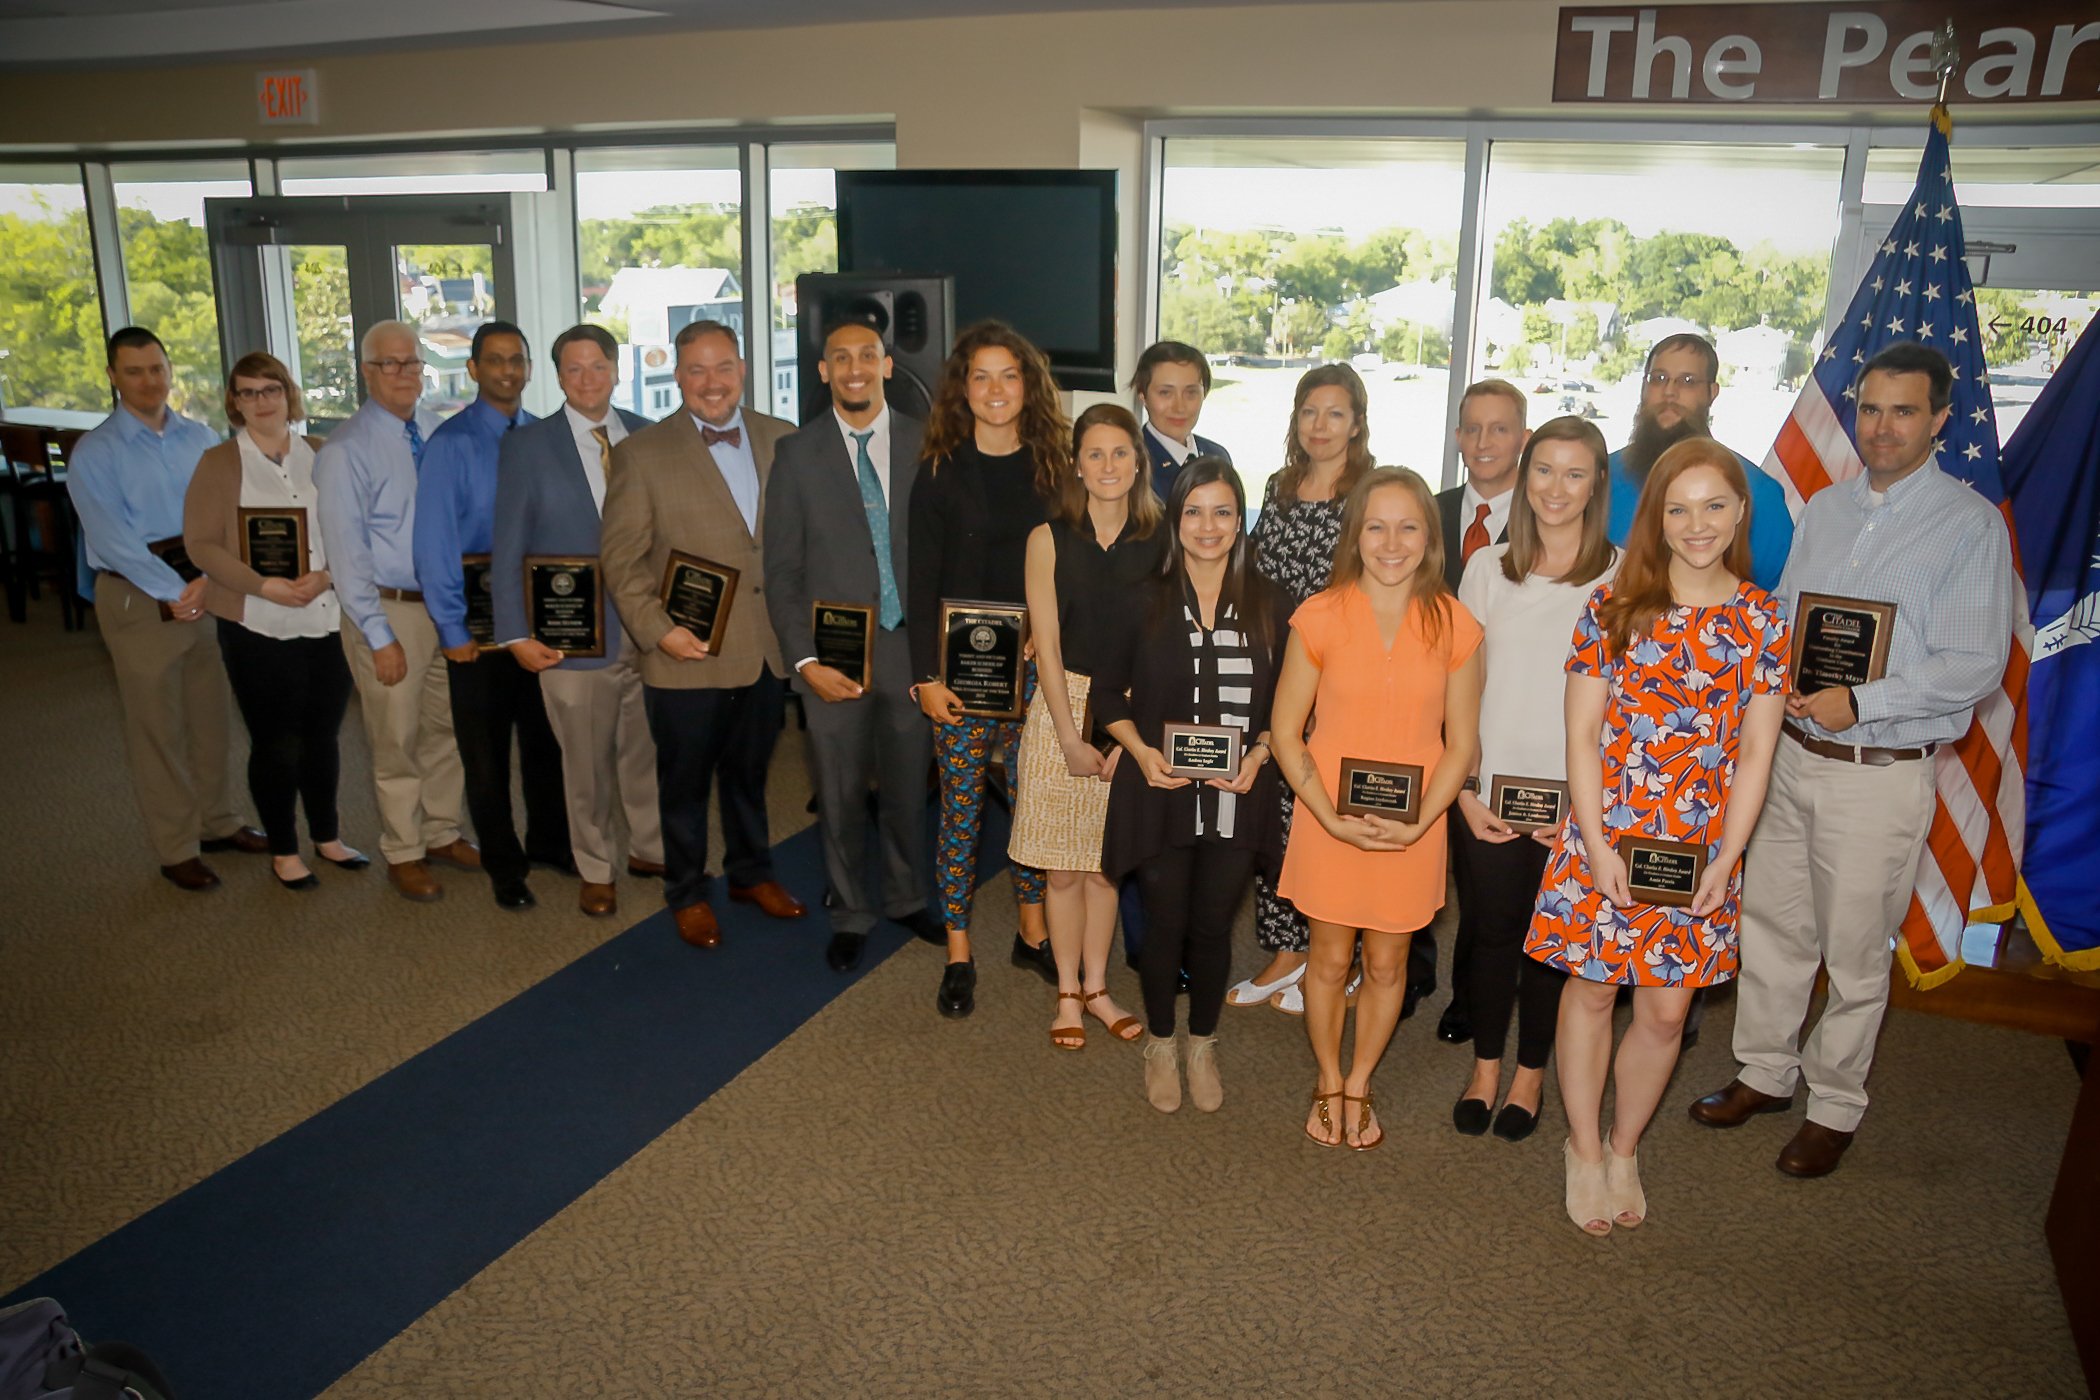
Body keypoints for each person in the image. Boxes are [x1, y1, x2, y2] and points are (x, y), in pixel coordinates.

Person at [1691, 343, 2017, 1179]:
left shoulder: (1969, 524)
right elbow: (1792, 621)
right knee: (1771, 926)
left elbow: (1975, 661)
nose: (1882, 427)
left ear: (1941, 419)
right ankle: (1765, 1071)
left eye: (1903, 411)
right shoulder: (1827, 510)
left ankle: (1835, 1104)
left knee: (1854, 949)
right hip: (1792, 755)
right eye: (1870, 409)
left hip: (1878, 770)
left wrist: (1862, 702)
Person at [1524, 438, 1787, 1236]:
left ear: (1740, 512)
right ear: (1656, 519)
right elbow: (1580, 740)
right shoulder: (1611, 607)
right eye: (1679, 508)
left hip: (1701, 855)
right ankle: (1582, 1148)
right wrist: (1599, 847)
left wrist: (1729, 859)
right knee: (1595, 991)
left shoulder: (1762, 620)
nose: (1696, 524)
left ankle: (1625, 1144)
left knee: (1668, 1015)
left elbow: (1755, 754)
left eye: (1714, 506)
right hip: (1605, 840)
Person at [1272, 466, 1484, 1150]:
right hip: (1327, 816)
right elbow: (1284, 733)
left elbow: (1461, 745)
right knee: (1329, 961)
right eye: (1376, 527)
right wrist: (1327, 815)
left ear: (1429, 538)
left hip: (1413, 823)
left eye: (1408, 527)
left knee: (1389, 965)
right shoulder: (1319, 616)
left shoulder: (1456, 624)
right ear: (1355, 535)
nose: (1392, 543)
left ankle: (1361, 1081)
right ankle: (1328, 1077)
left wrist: (1424, 823)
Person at [601, 319, 805, 950]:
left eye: (722, 368)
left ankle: (750, 874)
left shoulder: (785, 440)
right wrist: (659, 633)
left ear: (742, 370)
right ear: (678, 376)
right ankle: (686, 891)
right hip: (684, 655)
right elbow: (621, 560)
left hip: (767, 650)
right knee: (683, 784)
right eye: (696, 369)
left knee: (750, 775)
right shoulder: (641, 452)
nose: (711, 382)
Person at [1095, 459, 1290, 1110]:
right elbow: (1104, 695)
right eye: (1194, 512)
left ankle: (1201, 1042)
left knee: (1211, 928)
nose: (1209, 526)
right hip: (1159, 792)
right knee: (1163, 925)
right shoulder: (1140, 597)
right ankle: (1160, 1041)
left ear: (1242, 519)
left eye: (1223, 511)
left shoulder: (1272, 602)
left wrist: (1260, 755)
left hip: (1240, 795)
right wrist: (1141, 753)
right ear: (1175, 521)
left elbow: (1290, 707)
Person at [1449, 417, 1616, 1141]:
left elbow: (1627, 704)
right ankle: (1486, 1066)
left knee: (1549, 945)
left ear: (1597, 485)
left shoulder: (1625, 575)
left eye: (1574, 473)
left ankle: (1529, 1076)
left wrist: (1589, 812)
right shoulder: (1488, 566)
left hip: (1574, 802)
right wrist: (1459, 789)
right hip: (1487, 793)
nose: (1555, 487)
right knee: (1489, 932)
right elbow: (1456, 683)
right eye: (1543, 469)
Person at [763, 314, 943, 971]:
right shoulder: (795, 454)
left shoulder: (930, 446)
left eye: (867, 356)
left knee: (906, 791)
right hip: (829, 658)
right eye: (841, 358)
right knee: (837, 796)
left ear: (887, 365)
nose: (855, 369)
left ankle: (905, 896)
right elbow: (779, 571)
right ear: (823, 371)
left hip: (910, 653)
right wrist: (803, 661)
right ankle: (850, 910)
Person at [68, 326, 263, 889]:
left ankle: (218, 822)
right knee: (158, 727)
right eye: (134, 371)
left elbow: (226, 513)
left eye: (156, 368)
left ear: (169, 370)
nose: (148, 381)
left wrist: (207, 580)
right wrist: (178, 590)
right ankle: (176, 846)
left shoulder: (201, 437)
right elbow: (113, 540)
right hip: (138, 596)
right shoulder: (96, 452)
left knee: (209, 716)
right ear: (112, 377)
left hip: (207, 586)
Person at [906, 321, 1062, 1018]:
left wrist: (1048, 631)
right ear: (961, 391)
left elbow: (1070, 570)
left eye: (1009, 375)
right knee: (962, 809)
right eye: (981, 377)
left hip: (1033, 669)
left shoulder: (1054, 468)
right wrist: (923, 679)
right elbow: (919, 582)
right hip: (957, 673)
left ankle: (1032, 932)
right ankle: (959, 950)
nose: (995, 390)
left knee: (1033, 804)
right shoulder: (939, 470)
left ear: (1027, 386)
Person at [495, 324, 664, 921]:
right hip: (569, 639)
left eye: (598, 367)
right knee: (585, 764)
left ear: (617, 370)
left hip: (650, 634)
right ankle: (596, 866)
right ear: (558, 376)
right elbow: (508, 544)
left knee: (646, 752)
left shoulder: (649, 436)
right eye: (574, 369)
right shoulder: (526, 446)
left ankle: (650, 849)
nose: (587, 379)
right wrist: (515, 633)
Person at [1010, 403, 1163, 1049]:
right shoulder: (1047, 538)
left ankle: (1099, 988)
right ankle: (1067, 994)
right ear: (1077, 463)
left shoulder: (1164, 539)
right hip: (1060, 706)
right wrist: (1071, 736)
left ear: (1138, 461)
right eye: (1094, 454)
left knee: (1106, 867)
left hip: (1135, 708)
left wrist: (1131, 728)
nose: (1108, 465)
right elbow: (1044, 641)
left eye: (1119, 453)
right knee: (1063, 870)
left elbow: (1167, 640)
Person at [182, 351, 362, 890]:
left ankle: (327, 837)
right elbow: (201, 545)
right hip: (256, 622)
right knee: (277, 740)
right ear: (234, 402)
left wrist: (327, 575)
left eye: (271, 389)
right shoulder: (218, 463)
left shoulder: (323, 454)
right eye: (248, 392)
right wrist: (263, 585)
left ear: (289, 394)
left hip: (327, 618)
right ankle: (284, 848)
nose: (261, 401)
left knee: (324, 734)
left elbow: (350, 529)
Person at [315, 319, 480, 902]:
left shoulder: (437, 432)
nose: (404, 373)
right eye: (390, 363)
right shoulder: (345, 450)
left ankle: (441, 832)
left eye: (412, 363)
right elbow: (346, 554)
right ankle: (403, 850)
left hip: (444, 608)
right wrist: (378, 635)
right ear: (366, 371)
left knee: (445, 729)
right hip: (389, 613)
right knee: (396, 739)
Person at [413, 321, 570, 911]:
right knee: (484, 755)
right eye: (495, 360)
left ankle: (550, 844)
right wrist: (451, 630)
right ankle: (506, 867)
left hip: (539, 620)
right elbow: (432, 544)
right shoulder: (450, 444)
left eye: (518, 360)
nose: (508, 370)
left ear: (529, 369)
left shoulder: (544, 439)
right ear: (473, 369)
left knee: (545, 743)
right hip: (476, 630)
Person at [1235, 364, 1376, 1015]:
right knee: (1276, 813)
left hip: (1342, 674)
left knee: (1328, 812)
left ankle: (1336, 954)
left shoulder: (1370, 492)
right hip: (1277, 670)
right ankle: (1287, 948)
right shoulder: (1280, 485)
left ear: (1356, 422)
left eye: (1335, 413)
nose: (1320, 426)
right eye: (1309, 413)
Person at [1122, 339, 1233, 967]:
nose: (1179, 403)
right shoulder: (1127, 460)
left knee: (1198, 796)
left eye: (1192, 390)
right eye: (1165, 390)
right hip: (1157, 636)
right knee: (1151, 802)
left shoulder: (1213, 455)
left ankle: (1190, 932)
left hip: (1211, 634)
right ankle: (1149, 946)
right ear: (1142, 392)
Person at [1431, 377, 1532, 1047]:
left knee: (1481, 872)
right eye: (1475, 429)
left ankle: (1471, 996)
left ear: (1523, 438)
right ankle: (1407, 973)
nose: (1486, 441)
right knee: (1412, 852)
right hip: (1418, 717)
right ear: (1459, 437)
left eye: (1501, 429)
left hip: (1501, 725)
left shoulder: (1548, 518)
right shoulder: (1425, 513)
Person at [1608, 334, 1793, 592]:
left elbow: (1776, 599)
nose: (1670, 392)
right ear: (1643, 387)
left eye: (1688, 381)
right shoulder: (1601, 477)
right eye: (1659, 378)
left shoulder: (1756, 492)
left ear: (1711, 393)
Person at [1132, 340, 1231, 503]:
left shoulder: (1217, 456)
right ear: (1143, 396)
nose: (1179, 407)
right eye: (1165, 393)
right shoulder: (1133, 464)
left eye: (1191, 392)